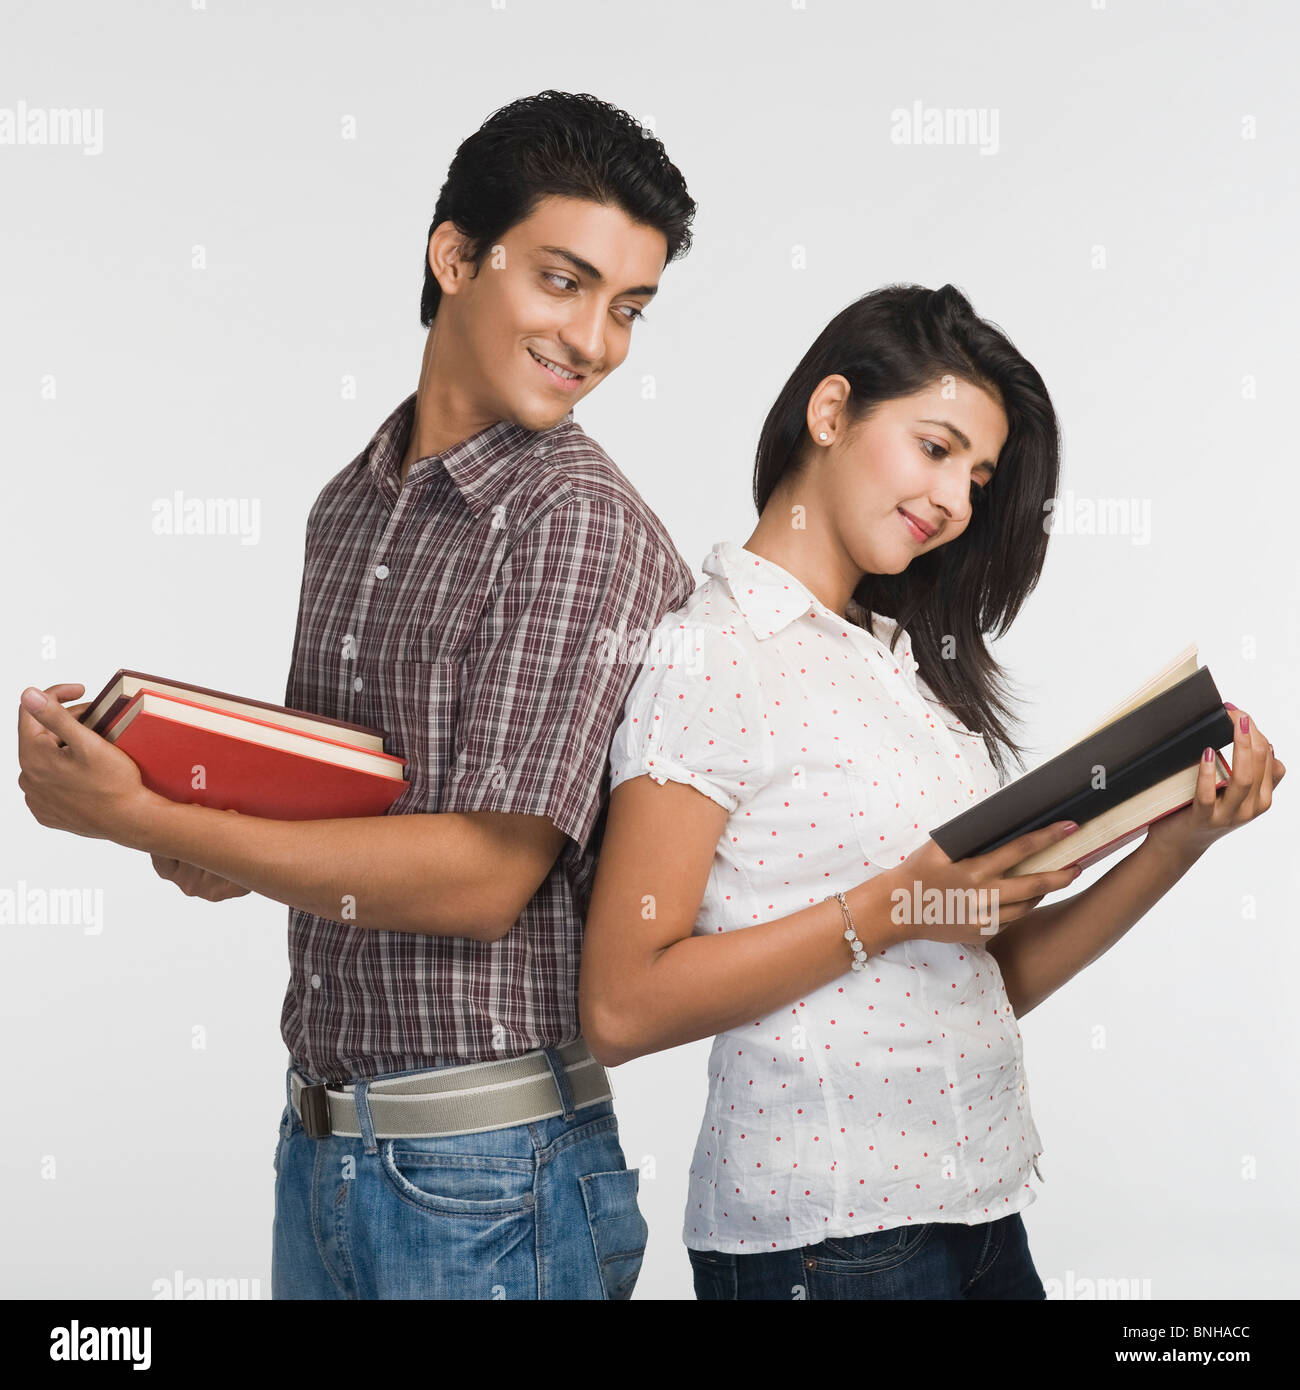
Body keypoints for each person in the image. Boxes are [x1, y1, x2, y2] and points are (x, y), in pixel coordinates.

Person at [17, 90, 698, 1300]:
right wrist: (180, 808)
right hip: (323, 1151)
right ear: (454, 255)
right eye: (564, 282)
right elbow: (326, 830)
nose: (594, 339)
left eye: (628, 308)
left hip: (488, 1177)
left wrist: (140, 819)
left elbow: (487, 878)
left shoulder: (575, 521)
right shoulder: (351, 505)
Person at [577, 282, 1285, 1300]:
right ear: (829, 414)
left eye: (980, 478)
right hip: (823, 1244)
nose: (957, 500)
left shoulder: (896, 669)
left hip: (981, 1209)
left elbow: (983, 985)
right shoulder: (714, 653)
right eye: (937, 448)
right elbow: (621, 1002)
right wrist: (893, 903)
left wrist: (1175, 840)